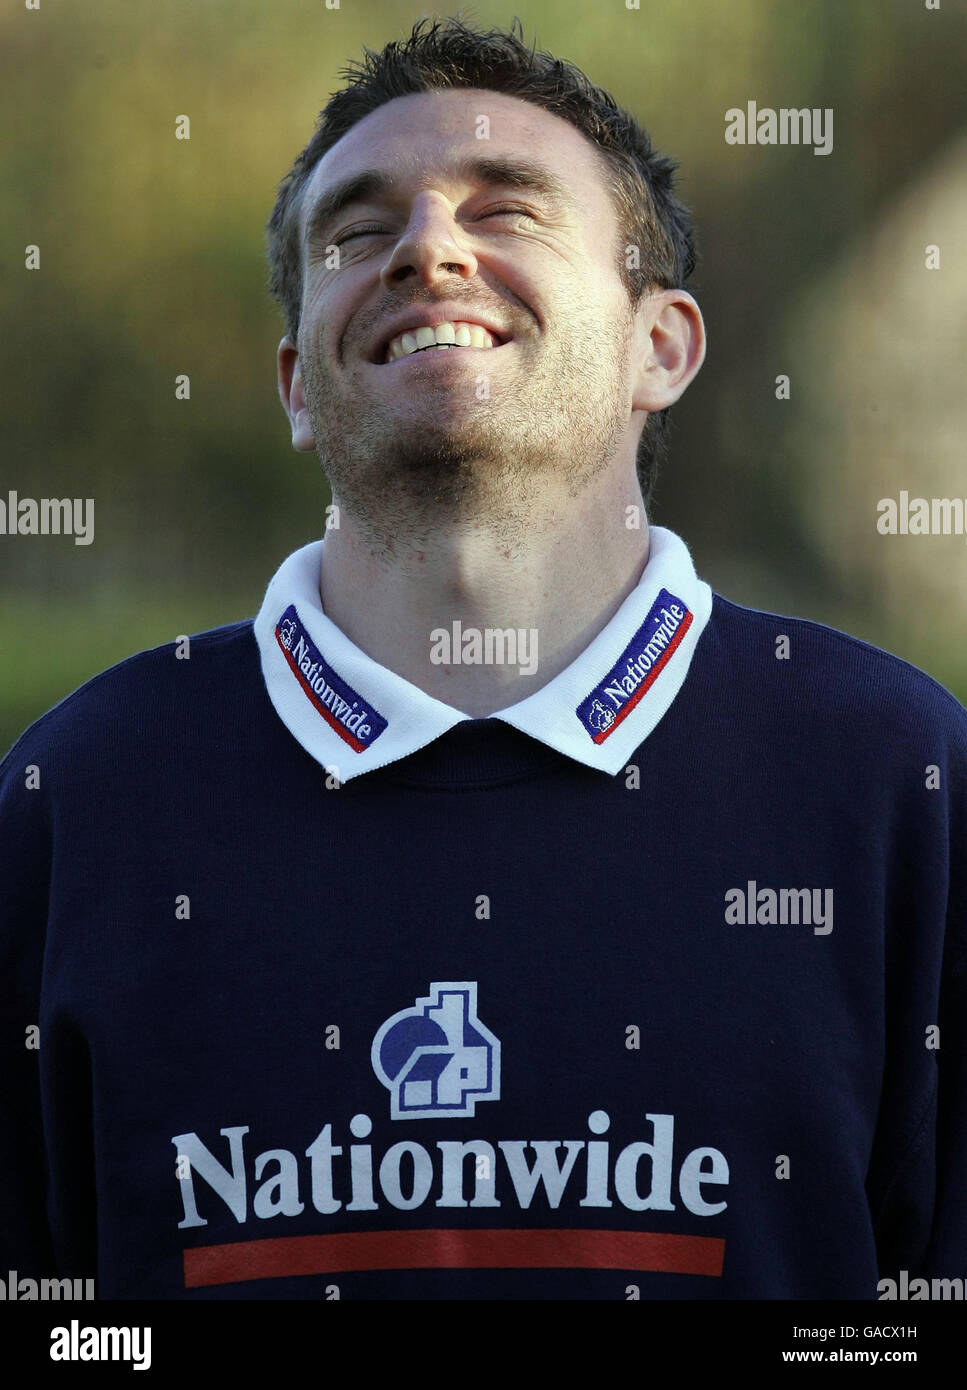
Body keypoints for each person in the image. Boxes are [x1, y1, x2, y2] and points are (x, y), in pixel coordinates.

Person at [1, 16, 963, 1302]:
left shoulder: (899, 777)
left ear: (658, 347)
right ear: (296, 383)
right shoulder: (77, 799)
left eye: (507, 211)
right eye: (358, 232)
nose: (428, 250)